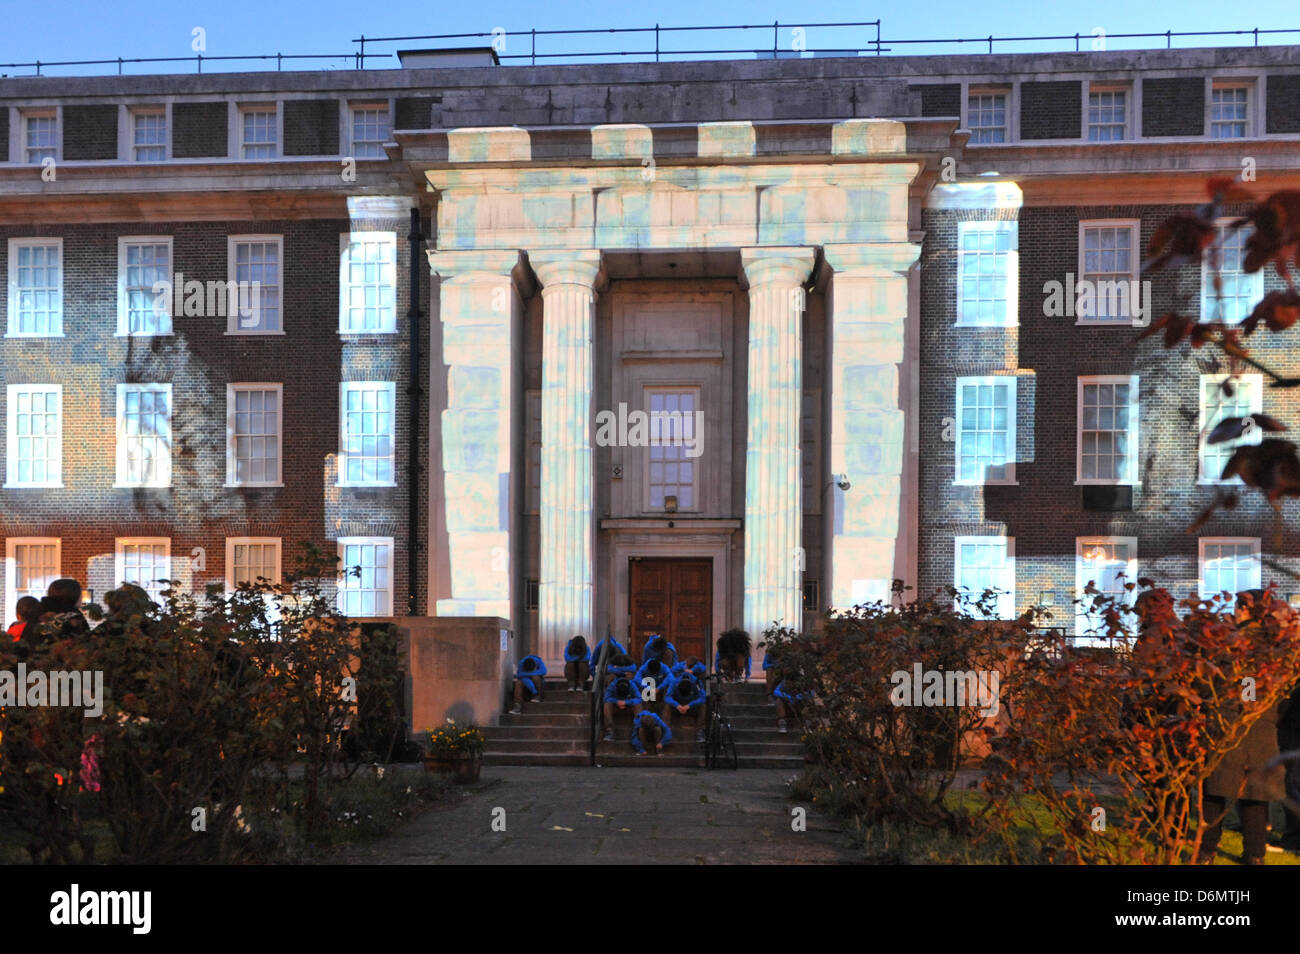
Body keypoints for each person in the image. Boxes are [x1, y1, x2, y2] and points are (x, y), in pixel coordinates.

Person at [1196, 590, 1289, 865]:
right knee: (1254, 797)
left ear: (1246, 609)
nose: (1234, 611)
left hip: (1236, 724)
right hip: (1262, 726)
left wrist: (1243, 703)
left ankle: (1207, 851)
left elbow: (1247, 683)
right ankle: (1254, 855)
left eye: (1238, 606)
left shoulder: (1241, 642)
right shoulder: (1274, 644)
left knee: (1215, 790)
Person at [665, 668, 706, 743]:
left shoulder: (697, 683)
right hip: (678, 707)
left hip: (691, 707)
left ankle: (700, 731)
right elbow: (667, 697)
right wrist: (677, 705)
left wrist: (689, 705)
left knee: (703, 706)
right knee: (667, 706)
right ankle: (666, 732)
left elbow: (703, 697)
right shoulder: (674, 682)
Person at [602, 672, 642, 742]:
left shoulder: (632, 685)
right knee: (607, 705)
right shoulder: (612, 685)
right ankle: (609, 730)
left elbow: (639, 699)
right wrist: (617, 701)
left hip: (628, 706)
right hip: (616, 706)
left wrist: (626, 702)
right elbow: (606, 698)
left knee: (638, 705)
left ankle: (637, 730)